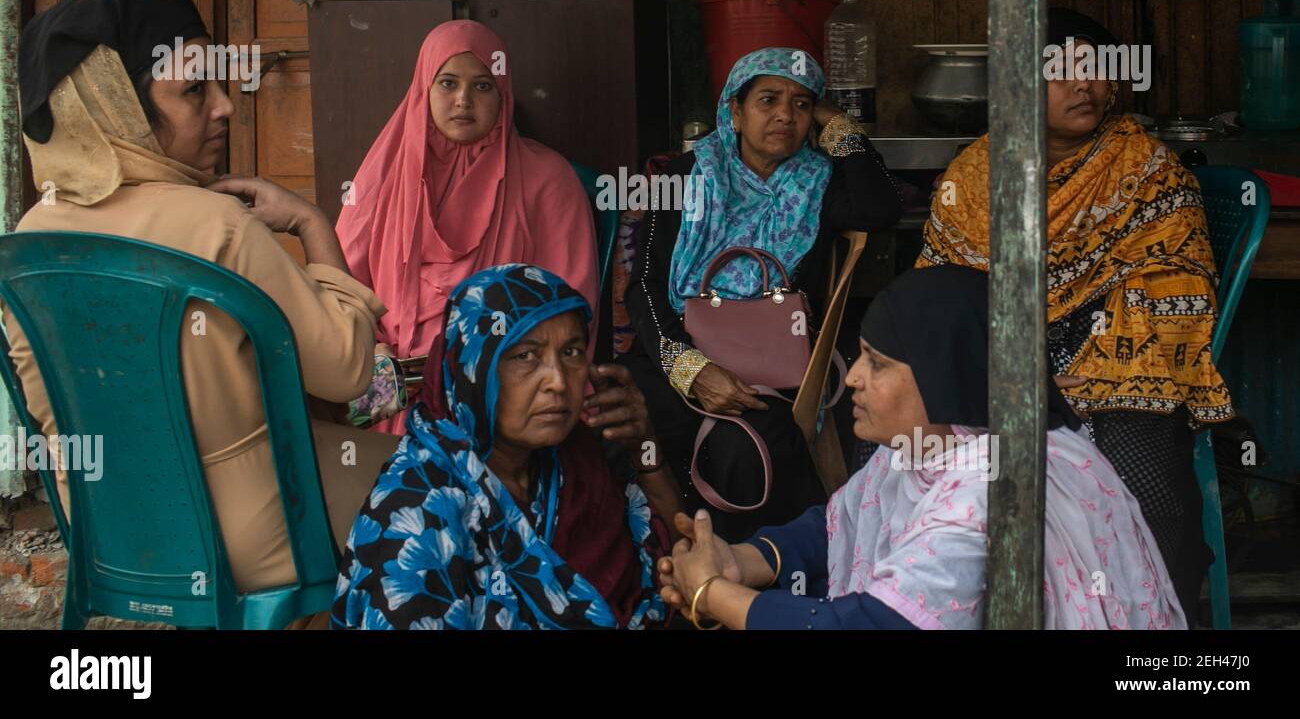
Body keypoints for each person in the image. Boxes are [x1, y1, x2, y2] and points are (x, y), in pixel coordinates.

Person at [7, 0, 397, 594]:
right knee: (450, 486)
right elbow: (351, 374)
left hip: (109, 538)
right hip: (249, 545)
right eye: (194, 89)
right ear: (120, 107)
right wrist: (310, 222)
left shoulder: (29, 241)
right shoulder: (218, 226)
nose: (225, 107)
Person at [657, 266, 1186, 630]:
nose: (855, 380)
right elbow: (839, 523)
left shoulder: (993, 488)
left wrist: (712, 594)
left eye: (878, 362)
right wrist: (740, 561)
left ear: (943, 376)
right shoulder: (933, 445)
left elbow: (880, 626)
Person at [916, 7, 1228, 619]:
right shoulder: (976, 175)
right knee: (902, 454)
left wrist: (1084, 373)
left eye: (1095, 69)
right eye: (1058, 71)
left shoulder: (1149, 173)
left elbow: (1174, 289)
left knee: (1145, 484)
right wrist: (1007, 372)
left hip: (1115, 370)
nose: (1082, 84)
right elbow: (940, 295)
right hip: (1001, 366)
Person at [621, 47, 903, 542]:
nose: (784, 116)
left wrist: (834, 121)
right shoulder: (681, 178)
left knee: (747, 446)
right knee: (632, 426)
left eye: (800, 105)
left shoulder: (819, 182)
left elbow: (881, 207)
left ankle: (743, 578)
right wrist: (689, 367)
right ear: (734, 109)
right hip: (677, 352)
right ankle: (665, 574)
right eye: (767, 99)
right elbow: (644, 286)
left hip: (771, 371)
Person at [332, 263, 678, 630]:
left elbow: (681, 569)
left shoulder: (577, 462)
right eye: (525, 356)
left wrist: (646, 448)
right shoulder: (418, 507)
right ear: (473, 368)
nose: (558, 382)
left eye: (572, 352)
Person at [336, 21, 598, 434]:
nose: (463, 100)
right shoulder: (380, 178)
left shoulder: (549, 180)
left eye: (482, 86)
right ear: (423, 89)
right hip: (389, 390)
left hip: (501, 394)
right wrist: (372, 349)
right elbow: (340, 286)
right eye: (447, 83)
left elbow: (568, 309)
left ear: (503, 94)